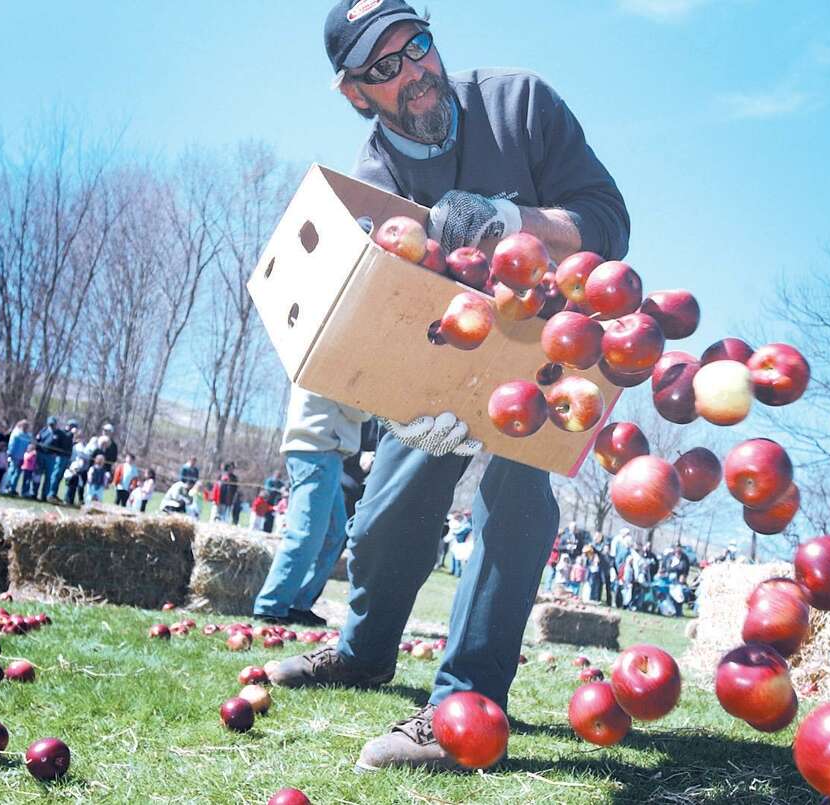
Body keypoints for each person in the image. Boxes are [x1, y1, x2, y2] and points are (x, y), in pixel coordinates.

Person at [270, 2, 630, 771]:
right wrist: (402, 405)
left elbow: (608, 221)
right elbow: (376, 321)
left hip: (546, 353)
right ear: (355, 93)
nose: (415, 74)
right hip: (443, 357)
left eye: (419, 46)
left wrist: (511, 219)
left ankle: (464, 704)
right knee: (388, 507)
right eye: (385, 67)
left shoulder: (518, 102)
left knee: (516, 495)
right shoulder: (376, 177)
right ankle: (364, 652)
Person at [254, 385, 372, 626]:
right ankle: (271, 604)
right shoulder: (332, 364)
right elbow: (359, 410)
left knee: (333, 533)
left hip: (321, 451)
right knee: (305, 533)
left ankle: (298, 602)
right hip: (318, 450)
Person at [1, 420, 31, 495]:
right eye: (25, 426)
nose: (26, 428)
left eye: (27, 427)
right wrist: (10, 453)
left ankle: (12, 488)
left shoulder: (27, 436)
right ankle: (8, 487)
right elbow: (11, 444)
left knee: (17, 473)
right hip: (14, 456)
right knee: (12, 471)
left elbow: (28, 446)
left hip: (23, 457)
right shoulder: (16, 434)